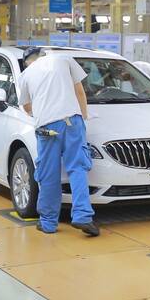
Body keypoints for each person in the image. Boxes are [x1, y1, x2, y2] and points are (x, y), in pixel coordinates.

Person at [17, 50, 98, 237]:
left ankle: (48, 223)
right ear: (43, 54)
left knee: (48, 173)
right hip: (72, 121)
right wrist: (83, 118)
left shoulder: (25, 75)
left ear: (27, 62)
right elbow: (79, 91)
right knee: (78, 168)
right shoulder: (63, 59)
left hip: (46, 127)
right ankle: (83, 216)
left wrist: (43, 112)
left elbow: (27, 107)